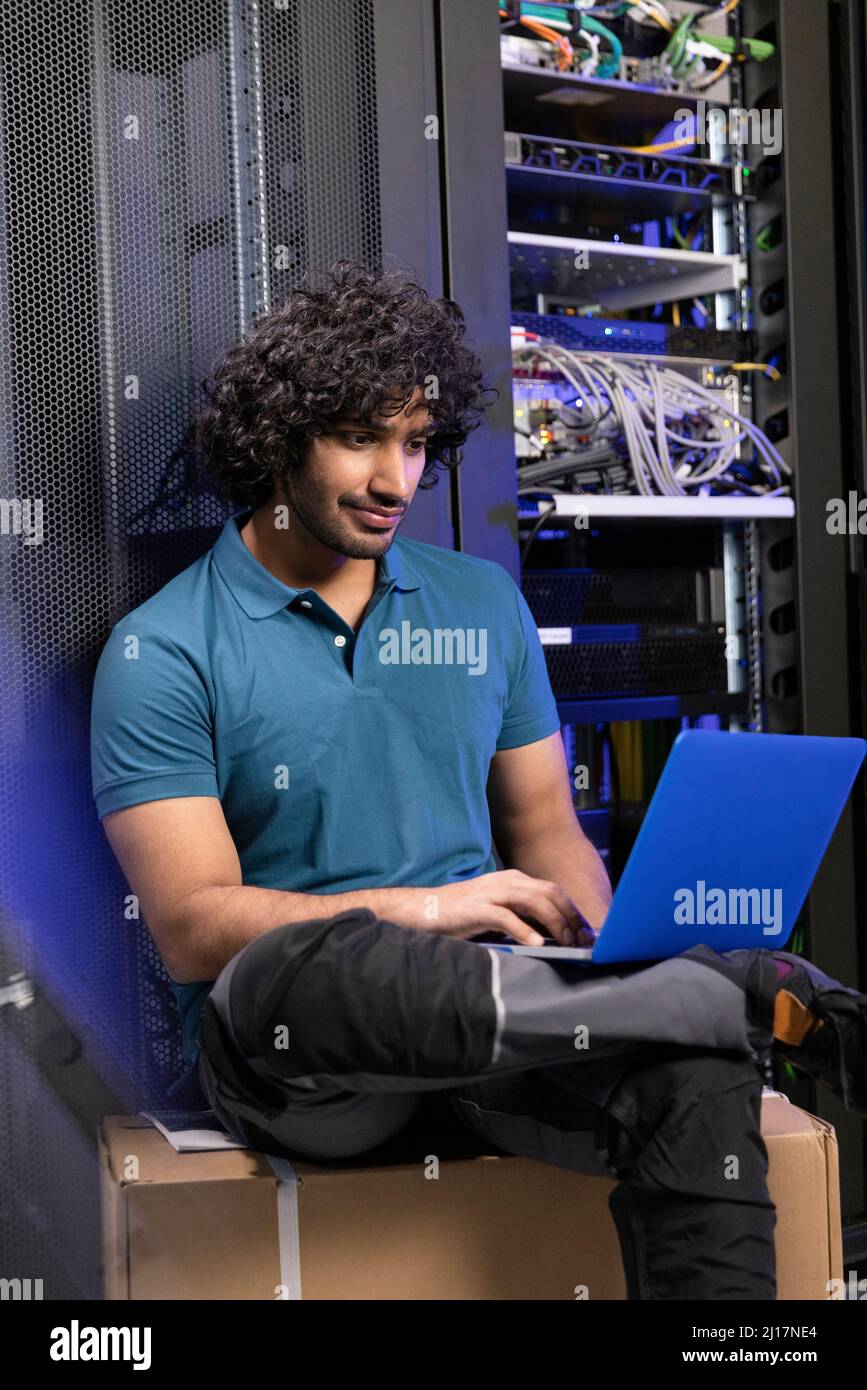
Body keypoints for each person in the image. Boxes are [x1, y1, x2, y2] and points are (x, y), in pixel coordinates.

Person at [91, 259, 867, 1300]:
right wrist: (438, 907)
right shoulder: (165, 649)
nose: (395, 481)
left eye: (415, 443)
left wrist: (606, 945)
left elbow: (547, 833)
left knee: (694, 1068)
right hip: (305, 1060)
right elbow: (190, 925)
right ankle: (719, 987)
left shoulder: (479, 604)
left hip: (504, 1029)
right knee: (305, 967)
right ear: (275, 437)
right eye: (359, 438)